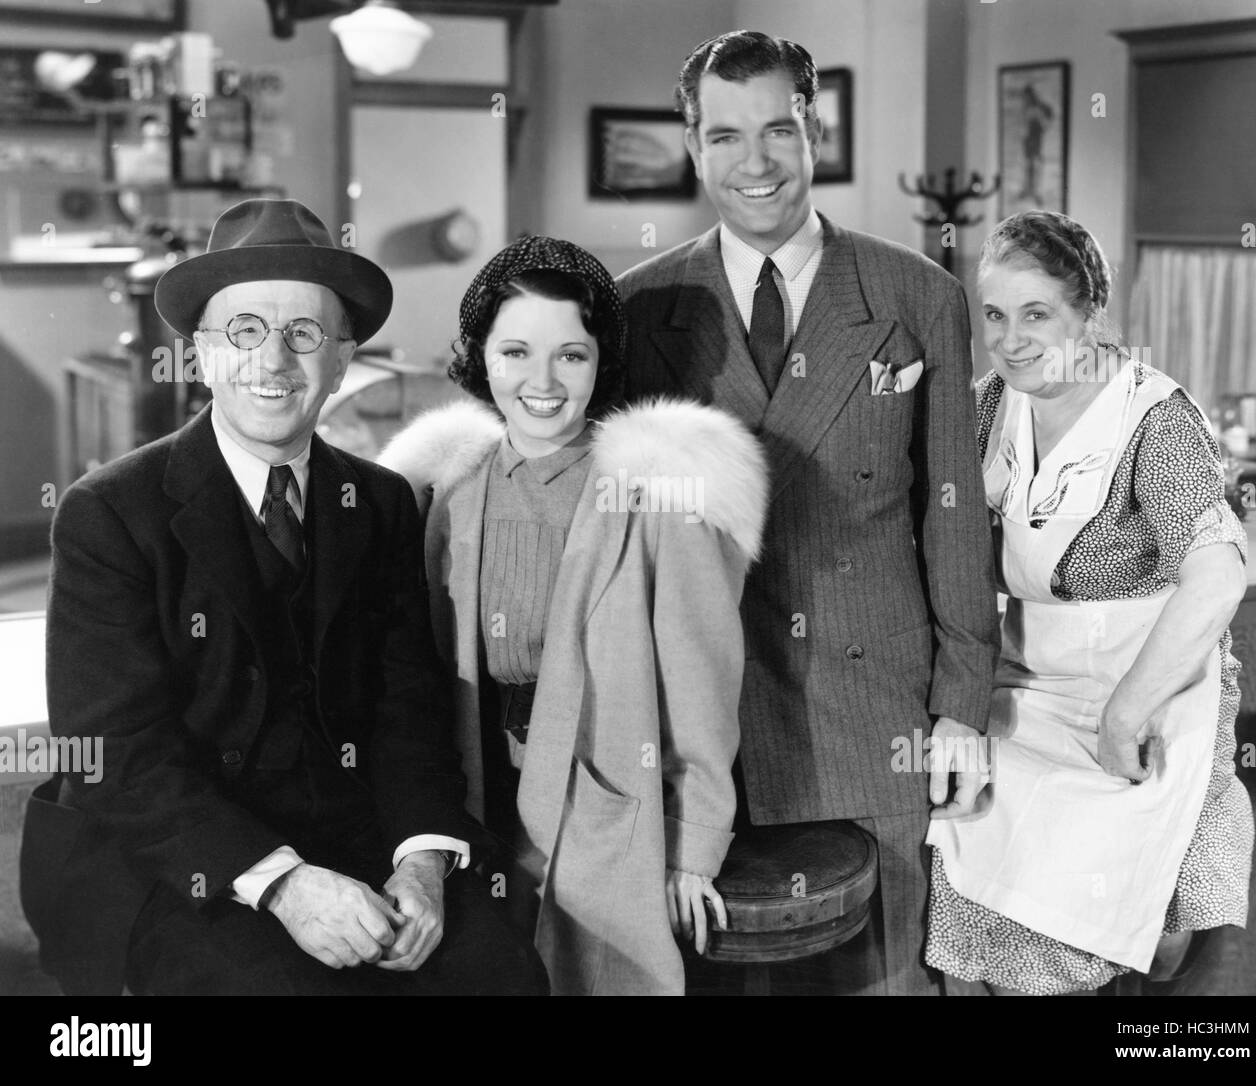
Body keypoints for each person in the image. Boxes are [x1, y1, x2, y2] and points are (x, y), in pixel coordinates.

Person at [19, 198, 546, 996]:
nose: (275, 361)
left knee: (500, 973)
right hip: (182, 862)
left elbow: (406, 708)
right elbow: (116, 754)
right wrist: (287, 886)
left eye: (305, 334)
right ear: (198, 354)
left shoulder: (379, 503)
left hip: (356, 837)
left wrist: (422, 861)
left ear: (342, 362)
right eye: (244, 332)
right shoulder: (110, 512)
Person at [616, 30, 1000, 995]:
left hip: (877, 712)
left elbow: (954, 514)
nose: (757, 162)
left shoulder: (919, 294)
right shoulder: (634, 309)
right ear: (694, 145)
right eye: (728, 135)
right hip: (703, 721)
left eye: (779, 130)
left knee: (892, 981)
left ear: (816, 132)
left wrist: (960, 706)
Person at [379, 236, 767, 995]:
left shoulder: (655, 493)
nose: (543, 382)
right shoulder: (444, 490)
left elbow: (702, 689)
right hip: (475, 802)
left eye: (572, 356)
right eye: (516, 351)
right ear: (480, 358)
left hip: (605, 809)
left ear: (603, 362)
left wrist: (693, 848)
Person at [925, 210, 1254, 995]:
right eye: (995, 315)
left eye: (1036, 313)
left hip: (1148, 687)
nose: (1010, 339)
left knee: (1115, 899)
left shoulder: (1154, 419)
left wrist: (1123, 718)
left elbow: (1217, 577)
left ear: (1089, 314)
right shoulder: (982, 411)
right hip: (1026, 683)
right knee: (969, 850)